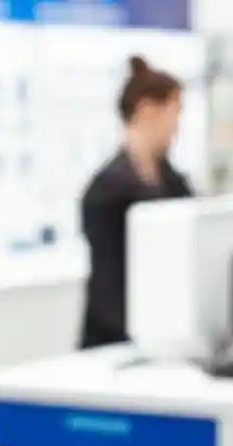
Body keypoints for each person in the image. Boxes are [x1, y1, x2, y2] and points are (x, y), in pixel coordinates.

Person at [79, 56, 194, 349]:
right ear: (146, 110)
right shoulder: (106, 189)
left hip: (165, 334)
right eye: (174, 113)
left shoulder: (173, 182)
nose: (177, 126)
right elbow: (108, 284)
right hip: (115, 339)